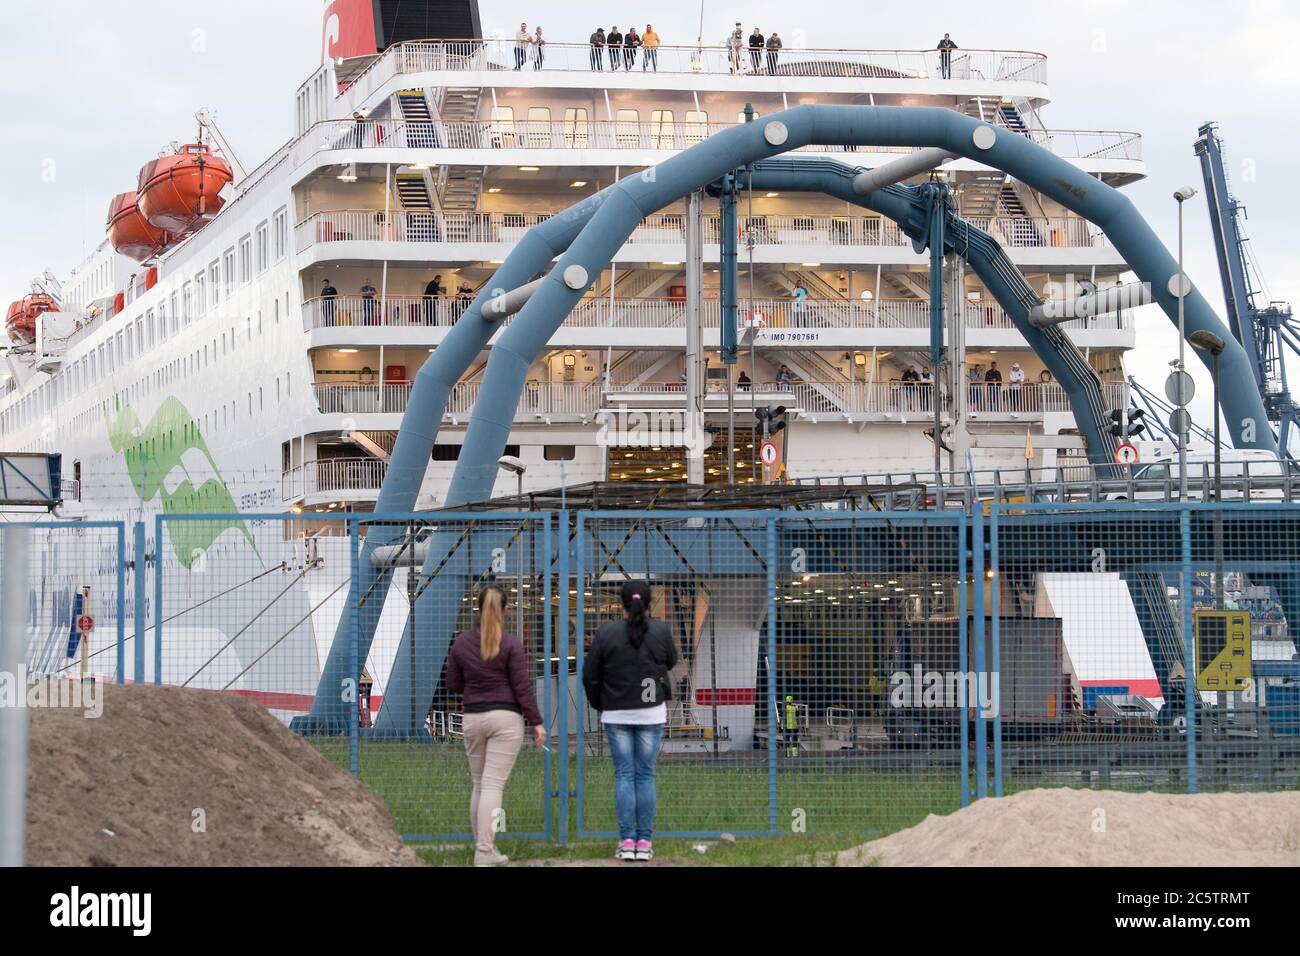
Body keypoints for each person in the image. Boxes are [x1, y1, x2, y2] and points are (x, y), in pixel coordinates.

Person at [446, 585, 546, 867]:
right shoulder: (511, 644)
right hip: (506, 719)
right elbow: (521, 687)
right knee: (493, 785)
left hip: (473, 718)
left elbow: (453, 683)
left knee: (479, 784)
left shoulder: (462, 643)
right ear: (505, 609)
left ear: (478, 607)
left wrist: (475, 685)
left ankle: (483, 848)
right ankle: (485, 851)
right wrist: (536, 722)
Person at [582, 580, 679, 862]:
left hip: (616, 712)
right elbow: (670, 661)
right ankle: (644, 841)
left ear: (621, 603)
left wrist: (601, 702)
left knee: (625, 774)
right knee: (645, 774)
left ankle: (627, 841)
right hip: (651, 711)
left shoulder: (606, 633)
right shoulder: (660, 631)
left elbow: (590, 674)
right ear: (649, 603)